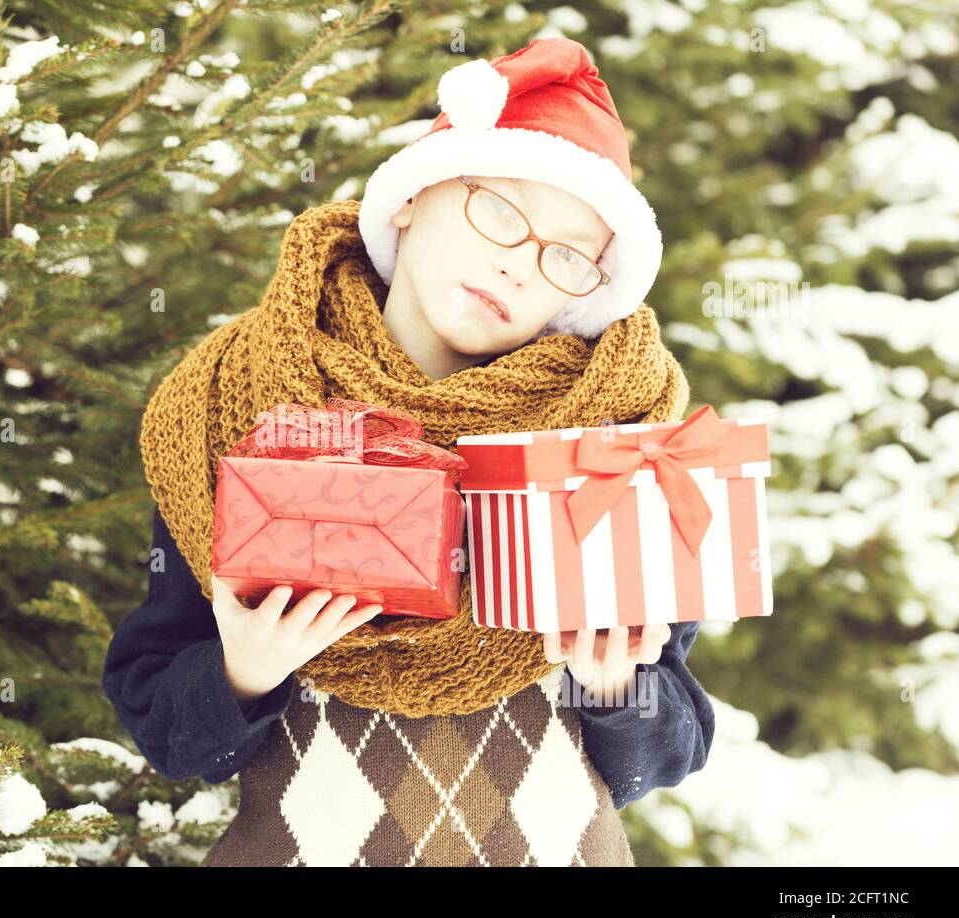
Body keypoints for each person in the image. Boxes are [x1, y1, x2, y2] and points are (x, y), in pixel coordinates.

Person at [104, 36, 714, 866]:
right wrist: (241, 671)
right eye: (500, 212)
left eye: (569, 256)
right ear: (412, 197)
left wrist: (619, 687)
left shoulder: (612, 447)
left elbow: (668, 752)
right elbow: (170, 732)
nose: (519, 265)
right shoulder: (235, 404)